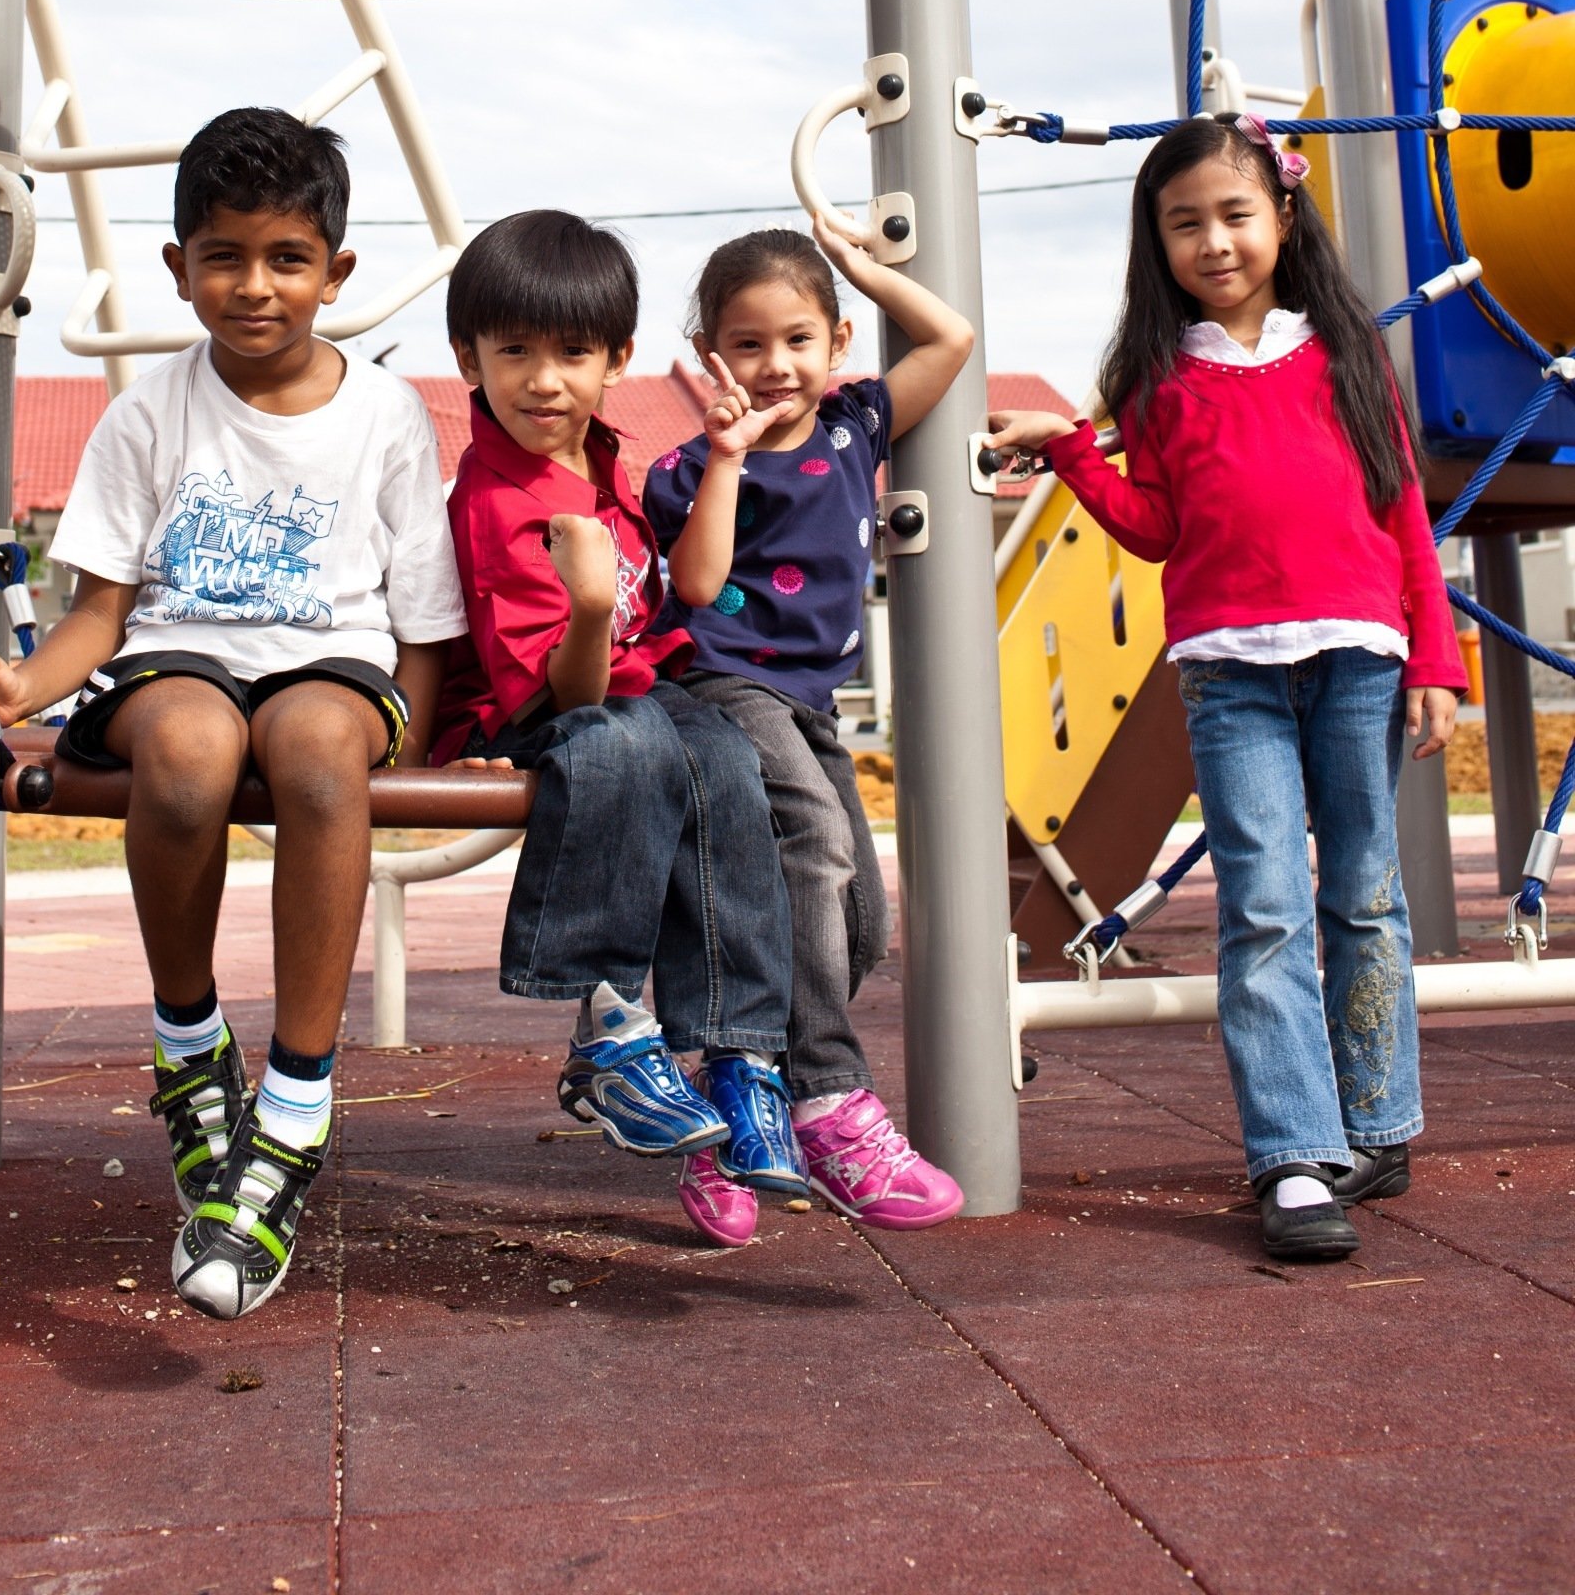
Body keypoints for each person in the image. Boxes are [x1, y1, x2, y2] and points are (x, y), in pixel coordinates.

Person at [0, 107, 467, 1322]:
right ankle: (188, 1044)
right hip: (178, 657)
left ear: (337, 272)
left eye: (285, 259)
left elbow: (424, 621)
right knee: (187, 746)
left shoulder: (385, 416)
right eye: (223, 256)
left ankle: (295, 1101)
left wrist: (413, 741)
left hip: (333, 667)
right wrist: (19, 687)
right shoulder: (148, 412)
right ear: (179, 268)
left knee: (323, 746)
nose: (254, 285)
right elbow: (100, 613)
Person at [987, 113, 1465, 1265]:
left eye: (1235, 214)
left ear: (1284, 217)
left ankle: (1379, 1123)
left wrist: (1437, 660)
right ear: (1156, 243)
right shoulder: (1155, 380)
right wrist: (1068, 450)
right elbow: (1153, 531)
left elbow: (1405, 517)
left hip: (1360, 657)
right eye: (1183, 223)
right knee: (1265, 908)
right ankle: (1294, 1157)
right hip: (1229, 674)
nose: (1213, 241)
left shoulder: (1346, 359)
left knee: (1363, 894)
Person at [413, 209, 806, 1205]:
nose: (545, 381)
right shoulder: (496, 500)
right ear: (470, 358)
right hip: (535, 705)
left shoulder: (597, 457)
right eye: (515, 354)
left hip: (628, 690)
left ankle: (741, 1053)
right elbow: (569, 688)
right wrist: (592, 599)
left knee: (725, 759)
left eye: (573, 354)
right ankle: (607, 1024)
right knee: (633, 744)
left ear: (617, 358)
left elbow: (660, 612)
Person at [644, 220, 973, 1245]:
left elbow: (950, 340)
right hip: (722, 684)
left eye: (799, 339)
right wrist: (730, 457)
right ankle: (830, 1097)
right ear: (712, 354)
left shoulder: (856, 426)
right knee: (817, 851)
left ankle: (732, 1099)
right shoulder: (685, 468)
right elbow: (695, 586)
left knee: (860, 924)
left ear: (836, 345)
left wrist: (867, 273)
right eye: (748, 344)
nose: (776, 363)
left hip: (813, 705)